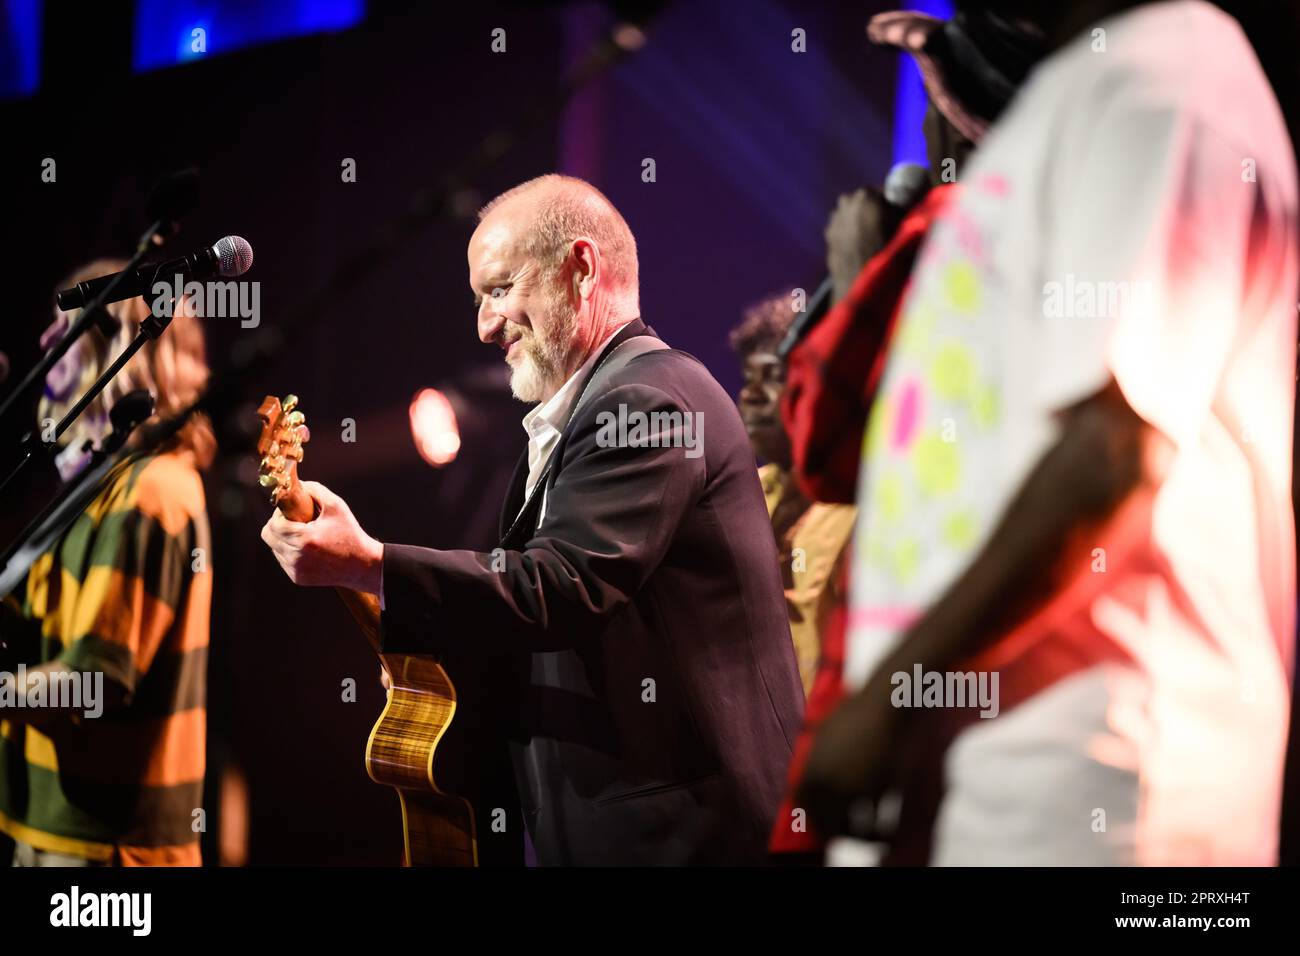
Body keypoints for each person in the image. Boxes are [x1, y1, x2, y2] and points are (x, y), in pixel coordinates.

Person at [801, 0, 1298, 866]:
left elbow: (1113, 449)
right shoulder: (1099, 87)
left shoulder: (1168, 79)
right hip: (980, 777)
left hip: (1091, 784)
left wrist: (889, 698)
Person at [261, 174, 805, 865]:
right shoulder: (585, 416)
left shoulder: (648, 399)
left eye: (498, 289)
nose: (484, 325)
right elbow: (536, 625)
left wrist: (370, 562)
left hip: (688, 839)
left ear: (579, 268)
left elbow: (563, 588)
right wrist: (422, 655)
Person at [773, 6, 1045, 860]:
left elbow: (830, 446)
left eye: (932, 107)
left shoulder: (960, 232)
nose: (922, 134)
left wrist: (858, 279)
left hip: (929, 652)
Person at [0, 260, 215, 866]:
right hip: (52, 827)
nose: (44, 342)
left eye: (62, 326)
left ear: (118, 344)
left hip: (106, 850)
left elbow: (96, 683)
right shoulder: (95, 485)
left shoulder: (151, 491)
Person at [731, 292, 856, 699]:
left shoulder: (863, 505)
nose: (748, 396)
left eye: (771, 378)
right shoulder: (748, 493)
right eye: (749, 380)